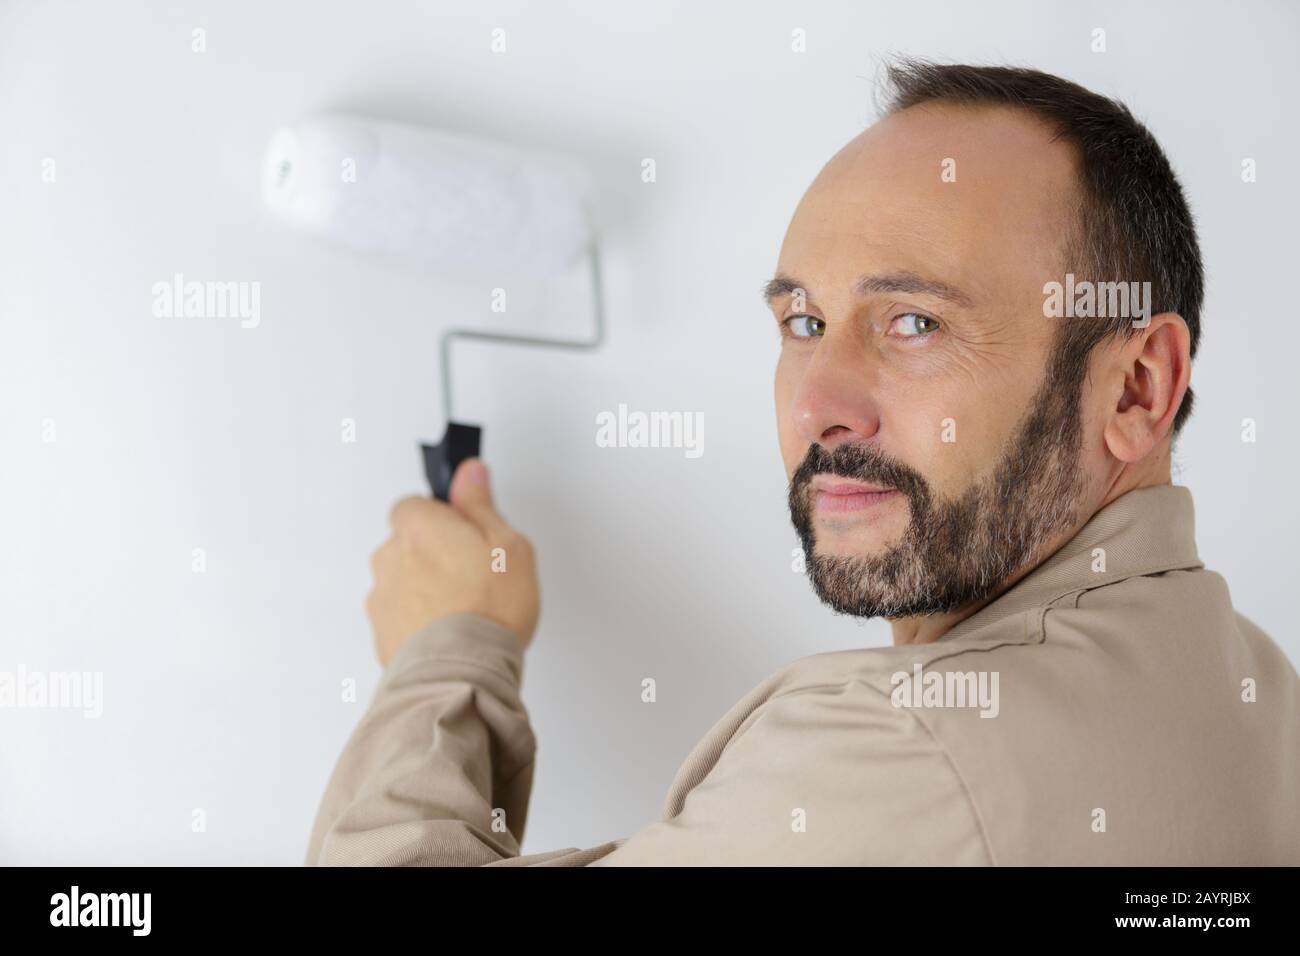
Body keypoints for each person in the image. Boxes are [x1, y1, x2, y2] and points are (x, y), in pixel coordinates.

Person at [305, 60, 1299, 866]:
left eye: (914, 321)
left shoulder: (912, 748)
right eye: (803, 321)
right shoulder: (1255, 693)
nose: (818, 403)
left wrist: (450, 649)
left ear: (1133, 387)